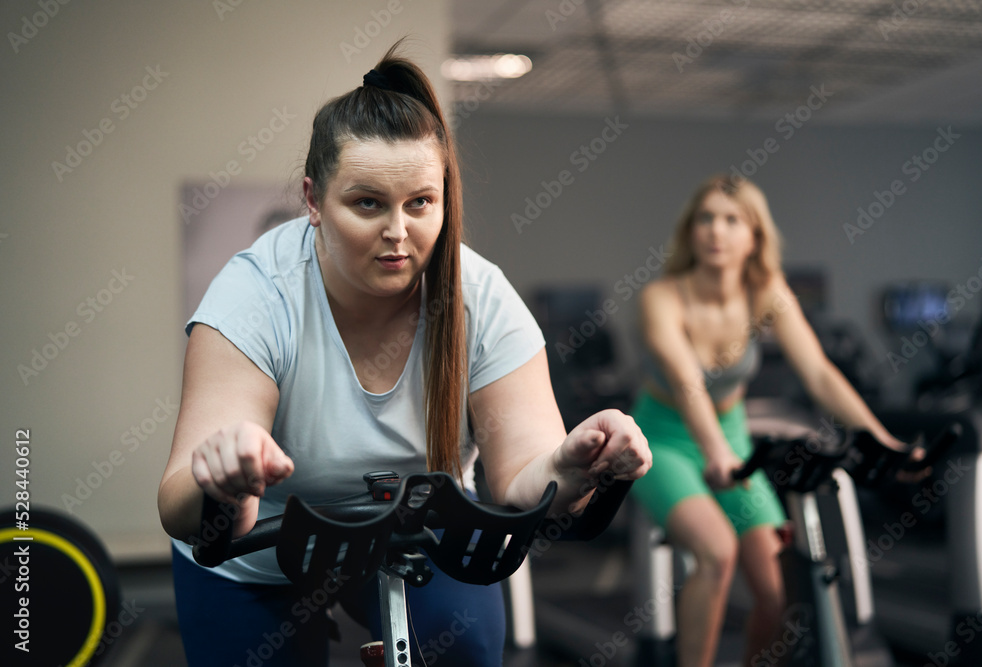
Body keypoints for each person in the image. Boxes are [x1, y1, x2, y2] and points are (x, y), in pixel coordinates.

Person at [156, 42, 650, 667]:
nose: (398, 232)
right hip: (257, 556)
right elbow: (177, 502)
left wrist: (574, 465)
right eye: (367, 203)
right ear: (312, 200)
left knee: (464, 652)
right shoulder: (256, 294)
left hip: (417, 540)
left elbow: (522, 478)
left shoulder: (481, 298)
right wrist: (224, 486)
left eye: (421, 202)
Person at [630, 174, 910, 667]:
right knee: (717, 553)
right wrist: (715, 452)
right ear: (691, 230)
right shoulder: (663, 297)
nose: (717, 230)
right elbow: (688, 382)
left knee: (778, 588)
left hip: (733, 437)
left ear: (755, 237)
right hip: (664, 440)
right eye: (706, 218)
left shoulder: (766, 294)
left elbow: (820, 374)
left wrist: (882, 441)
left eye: (732, 220)